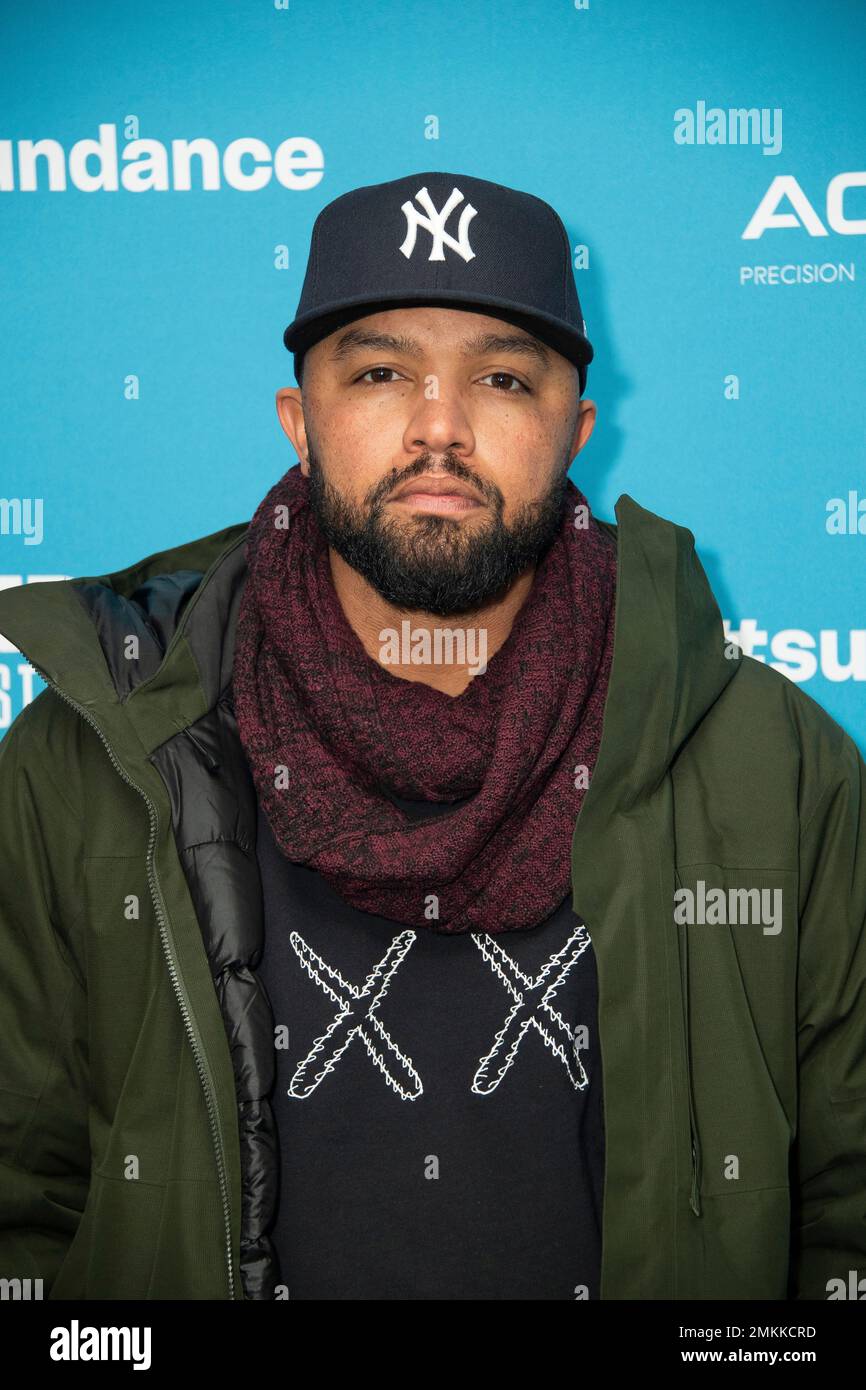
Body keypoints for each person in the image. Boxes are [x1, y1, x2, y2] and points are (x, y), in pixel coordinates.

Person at [0, 171, 863, 1302]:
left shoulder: (771, 762)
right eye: (379, 372)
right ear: (297, 420)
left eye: (502, 378)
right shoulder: (90, 757)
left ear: (575, 432)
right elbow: (25, 1193)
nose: (439, 427)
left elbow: (844, 1205)